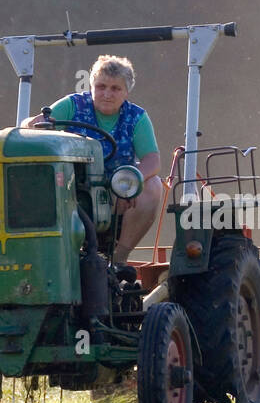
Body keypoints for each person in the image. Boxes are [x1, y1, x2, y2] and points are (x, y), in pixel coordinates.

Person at [22, 55, 164, 265]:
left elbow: (152, 160)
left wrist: (130, 183)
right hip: (70, 188)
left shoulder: (137, 117)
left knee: (153, 185)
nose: (107, 94)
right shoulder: (72, 105)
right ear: (91, 87)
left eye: (115, 88)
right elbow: (32, 126)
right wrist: (34, 124)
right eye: (101, 86)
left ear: (127, 91)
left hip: (116, 192)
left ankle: (119, 258)